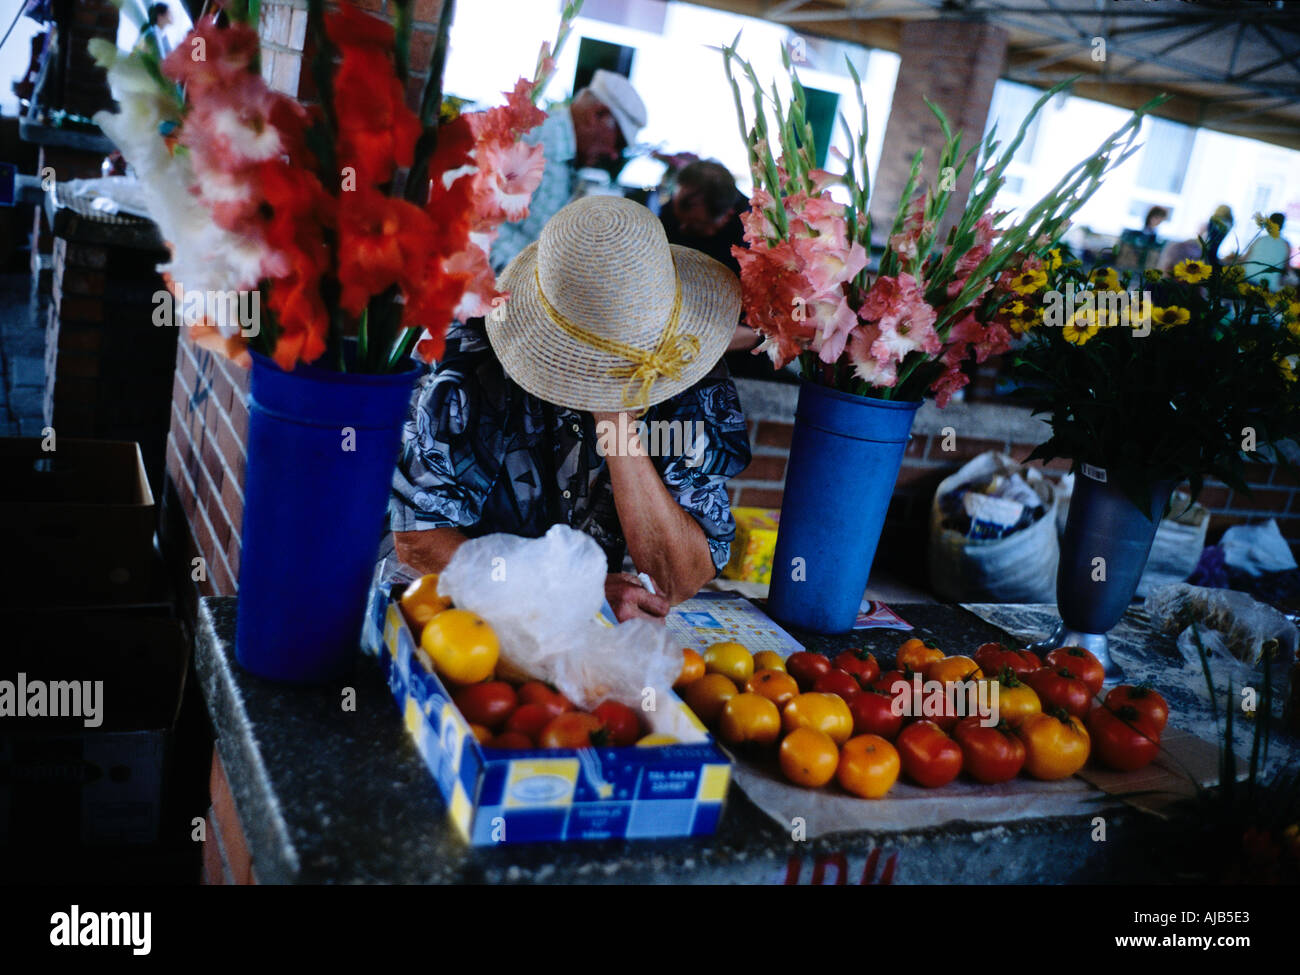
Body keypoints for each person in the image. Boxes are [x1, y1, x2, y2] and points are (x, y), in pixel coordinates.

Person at [391, 196, 751, 622]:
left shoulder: (684, 364)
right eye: (599, 352)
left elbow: (677, 579)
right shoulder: (467, 363)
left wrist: (615, 418)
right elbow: (417, 539)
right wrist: (567, 590)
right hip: (459, 621)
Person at [489, 70, 647, 272]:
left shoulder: (565, 157)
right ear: (597, 115)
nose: (614, 154)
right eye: (619, 142)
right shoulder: (533, 144)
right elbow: (479, 233)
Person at [658, 159, 795, 382]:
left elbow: (763, 329)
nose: (683, 229)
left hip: (737, 352)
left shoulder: (758, 237)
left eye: (694, 226)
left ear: (726, 216)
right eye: (680, 221)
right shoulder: (673, 215)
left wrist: (695, 349)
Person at [1160, 205, 1234, 271]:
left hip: (1207, 250)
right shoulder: (1229, 224)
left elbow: (1206, 234)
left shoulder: (1214, 220)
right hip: (1213, 253)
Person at [1240, 212, 1291, 292]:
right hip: (1269, 287)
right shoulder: (1285, 244)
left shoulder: (1260, 239)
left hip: (1248, 279)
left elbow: (1244, 259)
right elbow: (1287, 270)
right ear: (1283, 226)